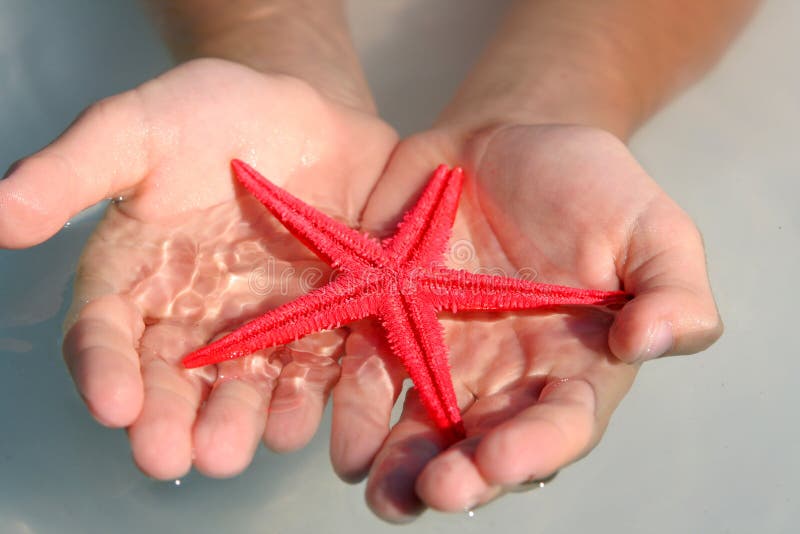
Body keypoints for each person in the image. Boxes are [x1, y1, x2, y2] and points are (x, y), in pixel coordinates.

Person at [0, 0, 757, 523]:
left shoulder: (411, 265)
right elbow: (311, 235)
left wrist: (536, 112)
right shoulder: (389, 265)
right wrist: (268, 37)